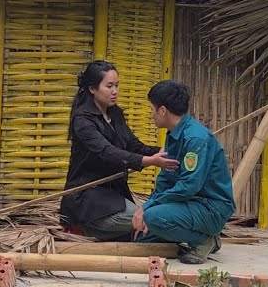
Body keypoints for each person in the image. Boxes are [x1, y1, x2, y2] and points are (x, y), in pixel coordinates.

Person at [61, 60, 179, 241]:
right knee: (149, 219)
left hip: (114, 195)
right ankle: (87, 229)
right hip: (89, 199)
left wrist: (165, 151)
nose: (115, 91)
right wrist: (148, 161)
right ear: (93, 89)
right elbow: (107, 152)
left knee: (150, 222)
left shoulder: (114, 113)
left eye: (117, 85)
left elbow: (134, 145)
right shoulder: (83, 120)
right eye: (109, 86)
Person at [132, 79, 236, 264]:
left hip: (210, 207)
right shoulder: (174, 135)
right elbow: (166, 179)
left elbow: (188, 186)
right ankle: (203, 237)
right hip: (190, 204)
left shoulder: (195, 139)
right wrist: (151, 203)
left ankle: (204, 240)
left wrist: (147, 208)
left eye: (152, 109)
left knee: (153, 218)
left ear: (163, 110)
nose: (151, 115)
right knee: (142, 236)